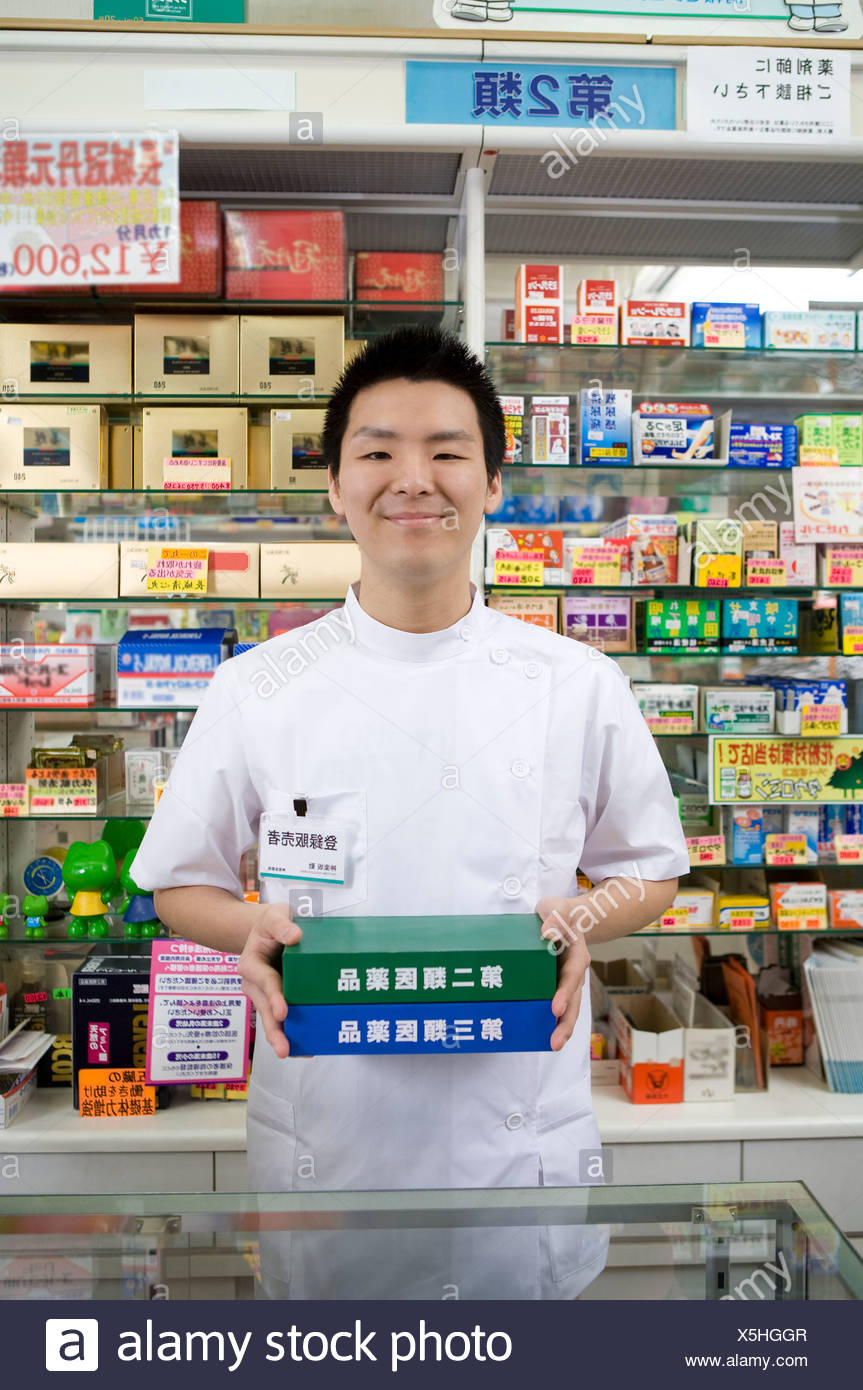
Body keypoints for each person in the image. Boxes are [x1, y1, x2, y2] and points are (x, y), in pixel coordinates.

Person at [131, 327, 689, 1299]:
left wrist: (579, 918)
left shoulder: (573, 681)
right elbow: (181, 881)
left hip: (517, 1143)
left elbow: (651, 864)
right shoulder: (256, 687)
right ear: (335, 487)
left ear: (492, 481)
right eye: (378, 452)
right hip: (332, 1147)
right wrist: (251, 925)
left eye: (445, 452)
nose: (412, 479)